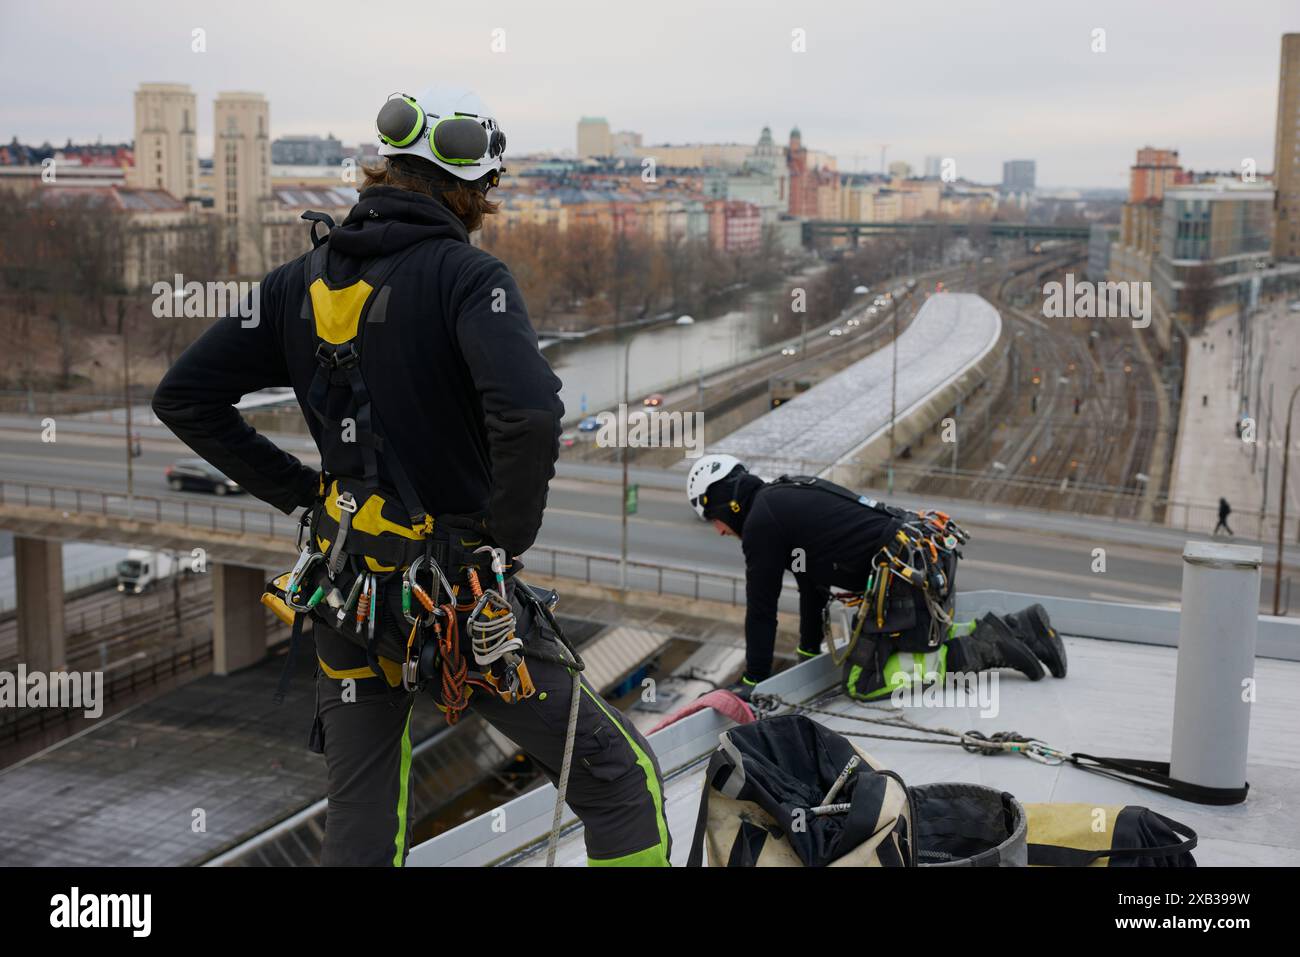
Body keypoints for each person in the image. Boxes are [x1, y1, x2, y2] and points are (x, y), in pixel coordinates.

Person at [153, 86, 670, 867]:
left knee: (362, 823)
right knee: (618, 780)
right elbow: (529, 413)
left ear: (385, 172)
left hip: (346, 596)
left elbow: (184, 397)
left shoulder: (299, 281)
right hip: (458, 600)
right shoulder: (468, 277)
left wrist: (302, 491)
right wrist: (502, 540)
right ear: (471, 191)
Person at [685, 454, 1067, 700]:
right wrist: (806, 650)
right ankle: (1024, 627)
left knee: (862, 684)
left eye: (714, 519)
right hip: (919, 558)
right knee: (921, 641)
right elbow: (811, 583)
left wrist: (753, 680)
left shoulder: (760, 523)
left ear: (724, 503)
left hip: (903, 574)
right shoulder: (781, 495)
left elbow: (762, 608)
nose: (719, 530)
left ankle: (994, 647)